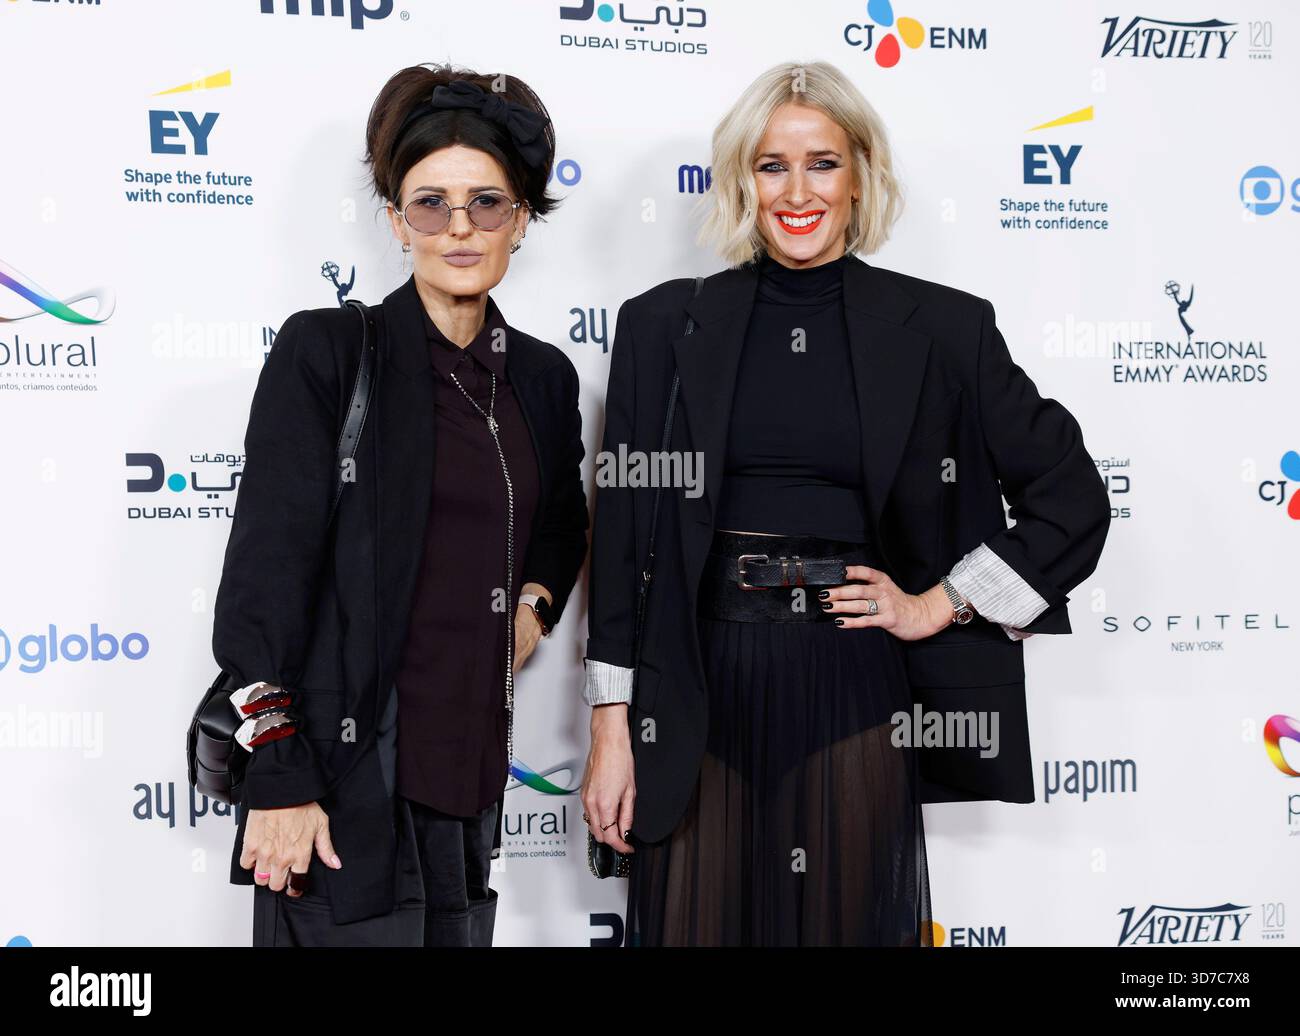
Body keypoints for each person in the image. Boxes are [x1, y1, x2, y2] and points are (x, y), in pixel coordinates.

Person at [579, 60, 1111, 946]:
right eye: (771, 164)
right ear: (742, 177)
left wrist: (941, 601)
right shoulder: (661, 325)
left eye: (822, 163)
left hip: (853, 692)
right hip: (697, 686)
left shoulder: (944, 328)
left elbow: (1073, 499)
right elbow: (627, 528)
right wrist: (608, 724)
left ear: (861, 174)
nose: (797, 191)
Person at [212, 63, 588, 946]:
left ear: (521, 218)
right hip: (341, 786)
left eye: (486, 202)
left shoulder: (541, 375)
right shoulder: (331, 353)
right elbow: (265, 578)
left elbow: (562, 518)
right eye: (431, 204)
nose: (459, 227)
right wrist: (280, 774)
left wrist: (532, 610)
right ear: (396, 221)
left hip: (470, 790)